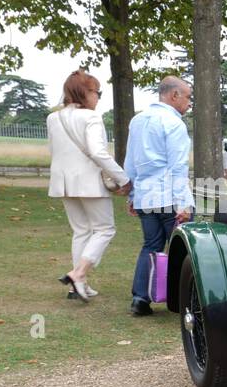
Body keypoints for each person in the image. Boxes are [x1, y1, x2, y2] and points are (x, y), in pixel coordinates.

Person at [46, 70, 131, 302]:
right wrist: (123, 179)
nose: (98, 97)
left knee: (81, 230)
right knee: (105, 229)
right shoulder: (91, 117)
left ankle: (78, 285)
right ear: (85, 92)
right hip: (90, 182)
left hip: (63, 182)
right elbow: (97, 152)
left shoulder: (53, 118)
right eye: (97, 92)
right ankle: (79, 274)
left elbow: (53, 152)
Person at [124, 76, 194, 316]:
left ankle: (140, 298)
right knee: (183, 249)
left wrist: (132, 194)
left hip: (145, 195)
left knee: (150, 246)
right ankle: (184, 299)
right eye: (188, 97)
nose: (189, 103)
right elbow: (178, 167)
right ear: (174, 95)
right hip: (169, 197)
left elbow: (130, 162)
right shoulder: (173, 124)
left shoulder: (137, 120)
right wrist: (184, 203)